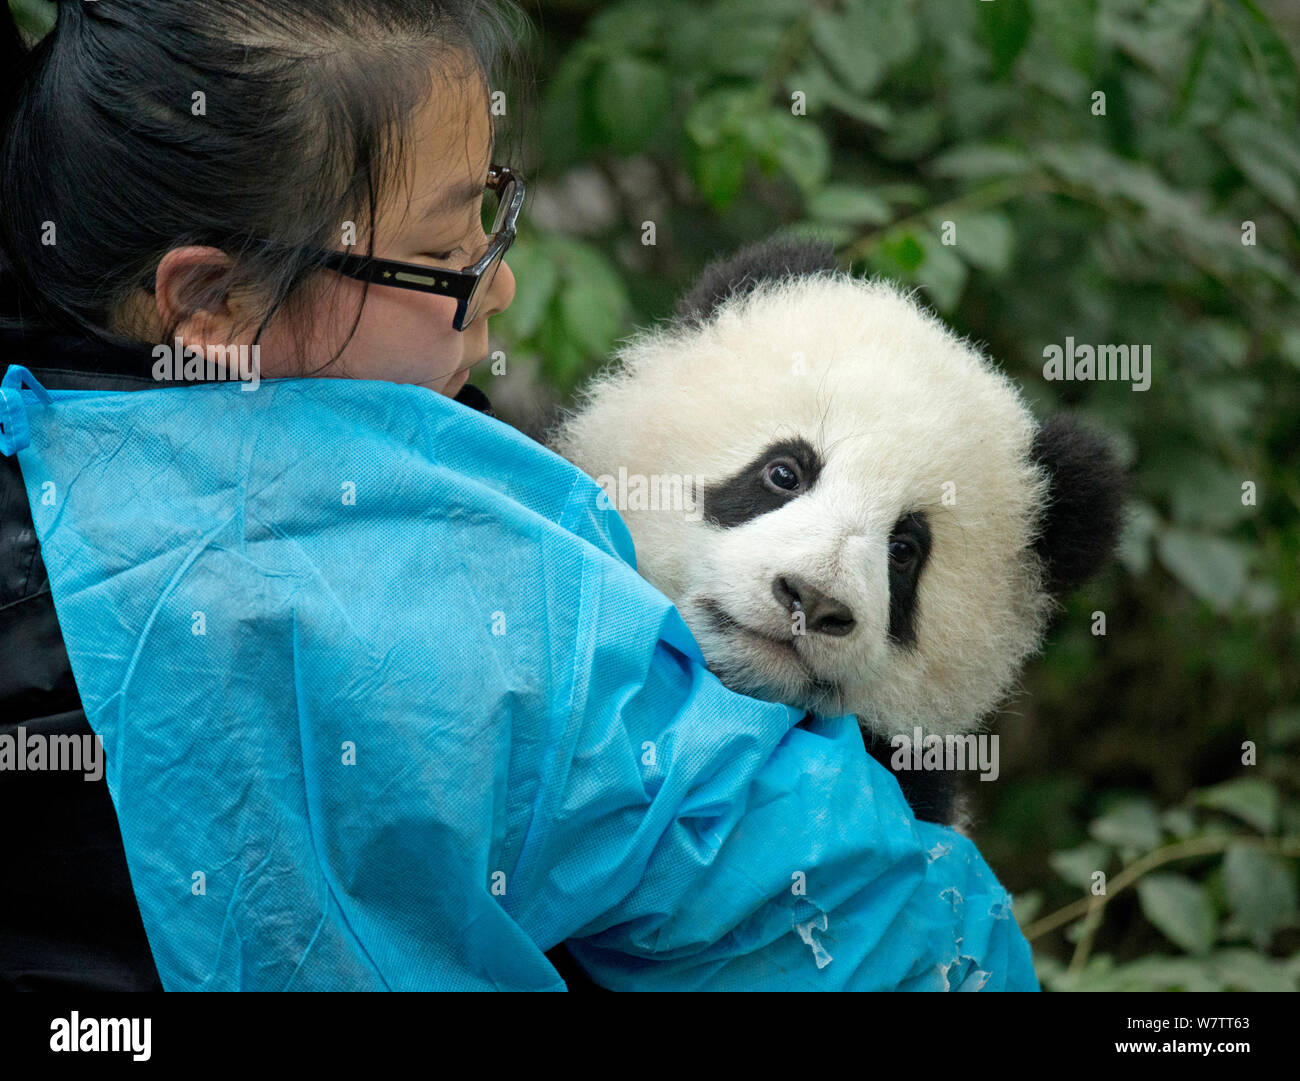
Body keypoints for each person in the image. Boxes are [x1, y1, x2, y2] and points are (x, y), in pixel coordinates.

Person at [0, 0, 1038, 991]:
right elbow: (897, 941)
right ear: (213, 300)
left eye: (494, 209)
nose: (495, 281)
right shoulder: (495, 626)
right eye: (449, 249)